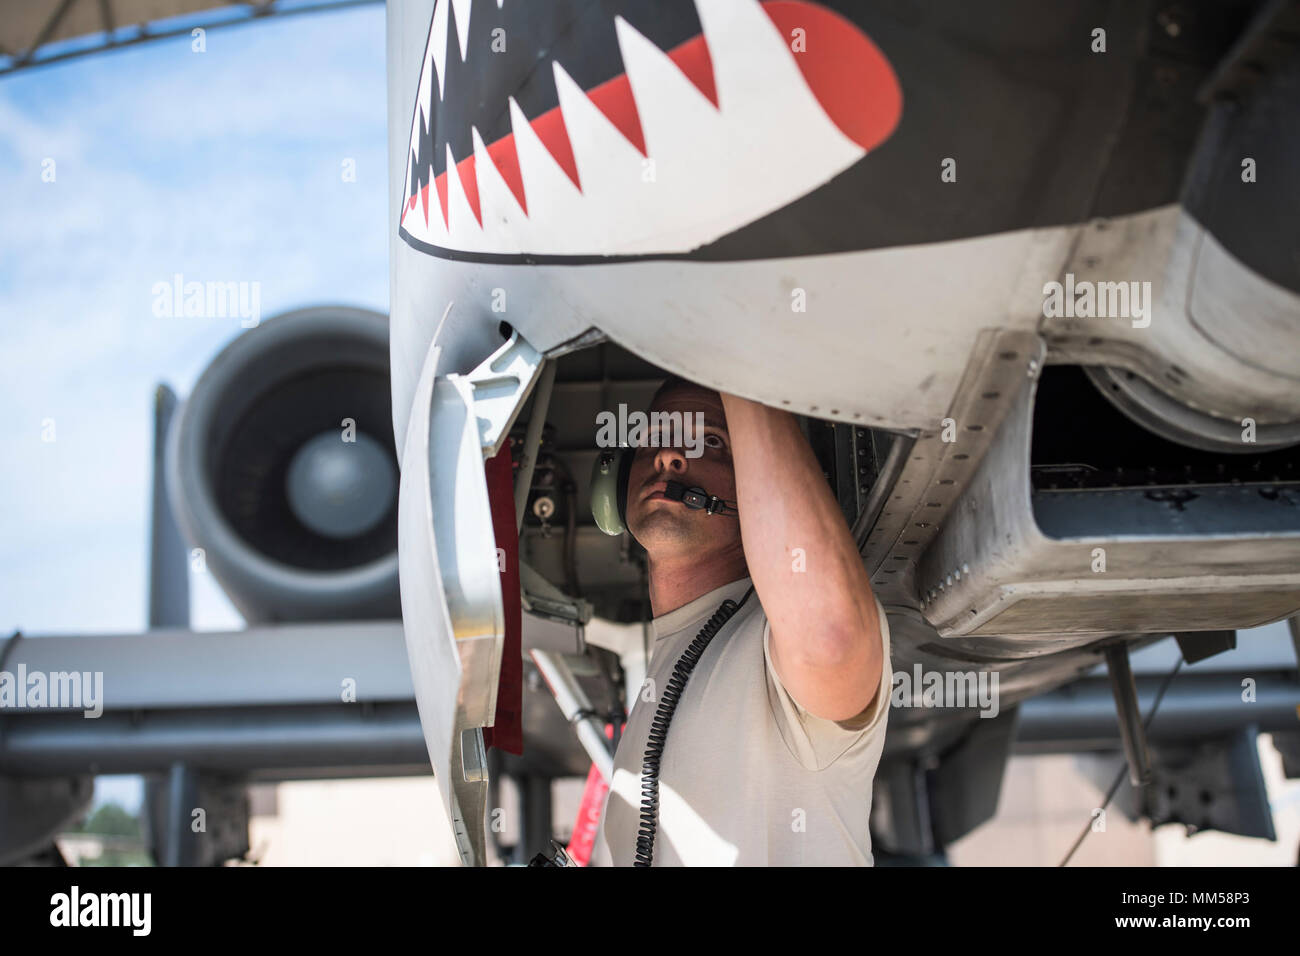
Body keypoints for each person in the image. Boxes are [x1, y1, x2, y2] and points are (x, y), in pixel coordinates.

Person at [591, 376, 891, 866]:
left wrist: (734, 358)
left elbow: (830, 640)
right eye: (654, 437)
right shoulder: (671, 657)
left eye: (710, 441)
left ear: (762, 479)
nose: (670, 456)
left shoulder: (777, 645)